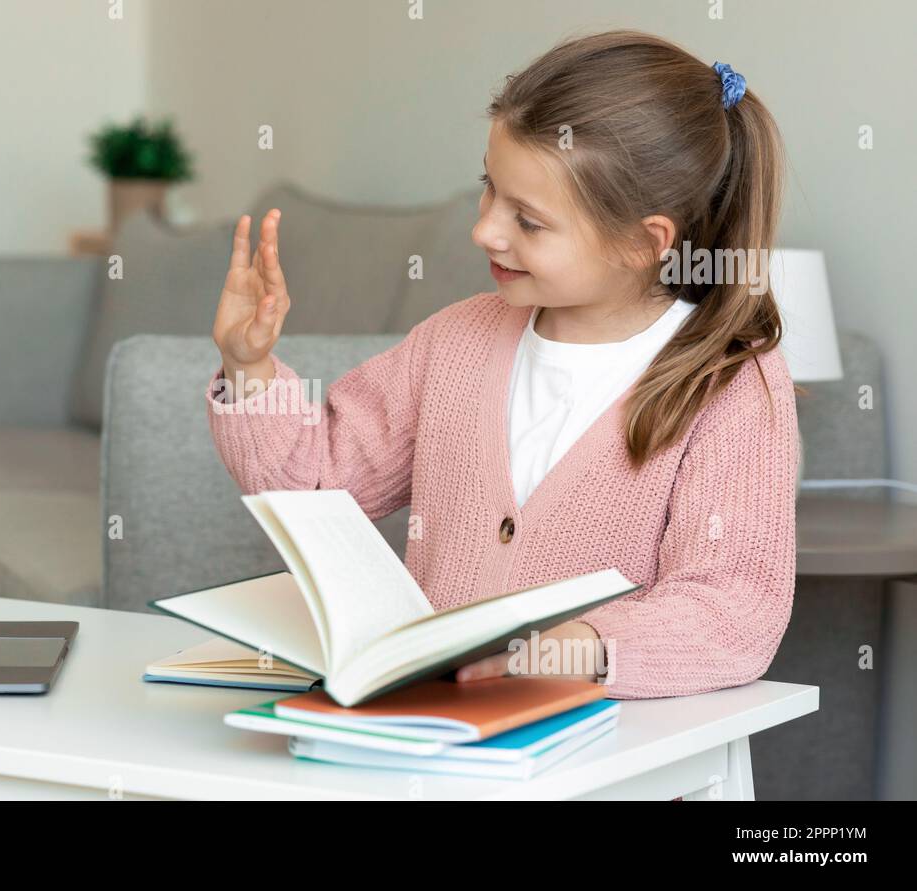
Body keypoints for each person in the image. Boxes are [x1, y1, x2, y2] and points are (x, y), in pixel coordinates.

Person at [204, 30, 800, 700]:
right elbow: (314, 484)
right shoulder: (455, 341)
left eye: (530, 220)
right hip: (434, 747)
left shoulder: (728, 383)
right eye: (491, 189)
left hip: (605, 760)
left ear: (643, 242)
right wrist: (248, 366)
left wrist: (579, 648)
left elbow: (732, 607)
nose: (485, 229)